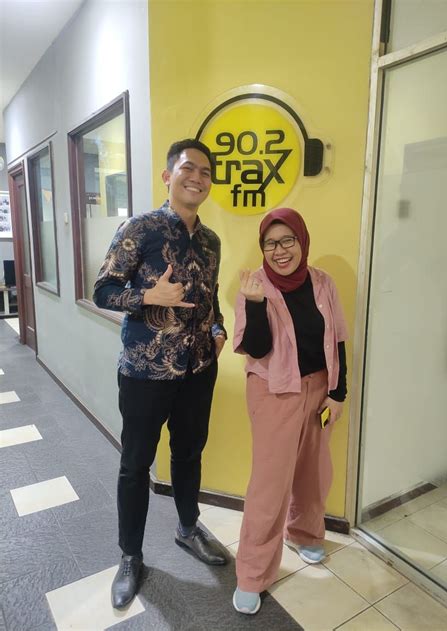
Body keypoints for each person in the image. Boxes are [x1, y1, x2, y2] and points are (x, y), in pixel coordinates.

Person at [93, 138, 230, 610]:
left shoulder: (211, 242)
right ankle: (130, 556)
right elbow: (103, 290)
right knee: (136, 464)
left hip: (198, 370)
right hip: (145, 372)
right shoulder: (141, 228)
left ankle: (188, 528)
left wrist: (218, 329)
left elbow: (210, 297)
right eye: (189, 168)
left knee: (189, 453)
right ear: (169, 176)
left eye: (206, 172)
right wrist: (148, 296)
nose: (198, 177)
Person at [232, 207, 348, 615]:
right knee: (270, 483)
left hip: (319, 388)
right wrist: (255, 304)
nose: (280, 251)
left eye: (287, 240)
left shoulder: (323, 282)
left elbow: (338, 339)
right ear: (262, 248)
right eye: (270, 243)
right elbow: (257, 347)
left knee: (314, 471)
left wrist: (338, 392)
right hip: (273, 391)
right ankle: (252, 573)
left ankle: (303, 533)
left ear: (302, 241)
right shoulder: (254, 284)